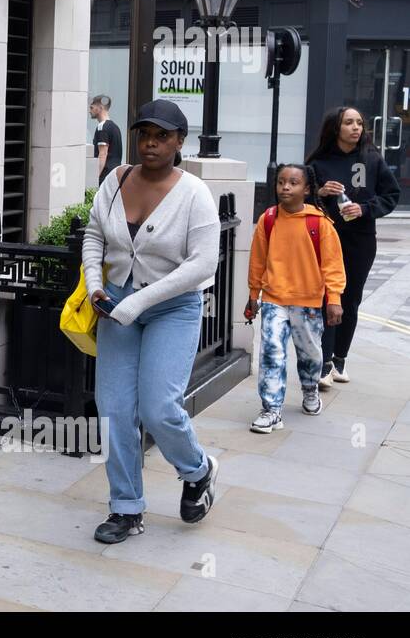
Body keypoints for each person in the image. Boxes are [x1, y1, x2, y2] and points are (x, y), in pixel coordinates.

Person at [82, 99, 221, 544]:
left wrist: (138, 304)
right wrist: (93, 286)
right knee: (115, 410)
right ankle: (126, 507)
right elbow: (93, 235)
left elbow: (202, 264)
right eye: (145, 134)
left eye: (162, 136)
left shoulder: (195, 193)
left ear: (180, 142)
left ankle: (198, 470)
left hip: (172, 307)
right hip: (116, 304)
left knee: (159, 408)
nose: (151, 143)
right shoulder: (117, 179)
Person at [245, 164, 345, 431]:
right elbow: (257, 261)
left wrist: (333, 298)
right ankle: (271, 410)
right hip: (274, 299)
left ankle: (310, 389)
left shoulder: (320, 224)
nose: (285, 187)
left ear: (307, 189)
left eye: (293, 183)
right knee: (272, 354)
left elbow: (333, 265)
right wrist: (254, 294)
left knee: (310, 355)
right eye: (281, 182)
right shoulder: (268, 219)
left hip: (309, 302)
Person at [307, 106, 401, 388]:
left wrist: (365, 208)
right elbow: (300, 199)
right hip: (327, 238)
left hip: (361, 239)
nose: (356, 127)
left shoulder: (372, 159)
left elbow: (392, 194)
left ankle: (339, 359)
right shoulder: (318, 163)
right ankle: (323, 363)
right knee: (327, 297)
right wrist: (319, 193)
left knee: (350, 299)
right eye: (349, 122)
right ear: (336, 128)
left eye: (359, 122)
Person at [90, 95, 123, 185]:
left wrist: (94, 179)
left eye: (92, 107)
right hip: (115, 176)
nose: (90, 111)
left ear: (100, 108)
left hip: (104, 178)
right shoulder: (115, 127)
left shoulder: (102, 127)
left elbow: (103, 154)